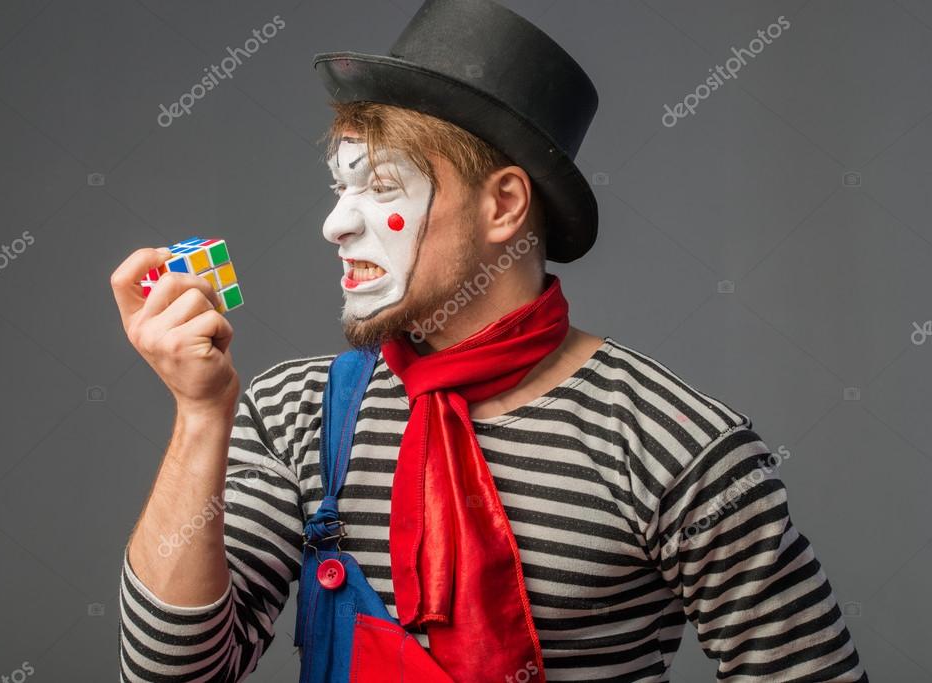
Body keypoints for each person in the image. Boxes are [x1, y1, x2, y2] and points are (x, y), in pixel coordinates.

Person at [112, 1, 867, 680]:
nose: (335, 225)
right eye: (338, 189)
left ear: (503, 203)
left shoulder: (675, 444)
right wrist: (200, 413)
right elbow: (171, 676)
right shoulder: (292, 413)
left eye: (378, 187)